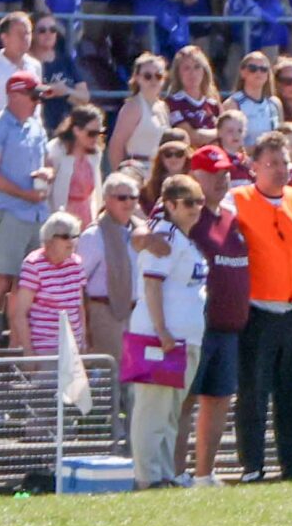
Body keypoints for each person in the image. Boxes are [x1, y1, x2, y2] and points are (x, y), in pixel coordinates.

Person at [231, 131, 292, 482]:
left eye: (284, 162)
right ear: (254, 167)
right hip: (257, 311)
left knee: (291, 392)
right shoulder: (237, 200)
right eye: (271, 163)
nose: (280, 170)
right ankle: (252, 465)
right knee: (253, 391)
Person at [173, 146, 249, 487]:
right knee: (185, 401)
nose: (223, 179)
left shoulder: (231, 218)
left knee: (219, 398)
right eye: (214, 173)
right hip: (194, 326)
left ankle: (205, 473)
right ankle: (175, 472)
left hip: (228, 326)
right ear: (195, 176)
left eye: (227, 173)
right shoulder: (184, 216)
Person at [126, 175, 207, 489]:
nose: (195, 208)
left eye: (199, 201)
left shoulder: (184, 239)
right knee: (152, 410)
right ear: (170, 204)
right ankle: (147, 477)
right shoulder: (164, 235)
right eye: (188, 202)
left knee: (171, 411)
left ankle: (163, 473)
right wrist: (162, 331)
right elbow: (151, 284)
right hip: (158, 337)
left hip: (184, 338)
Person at [0, 71, 54, 317]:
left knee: (29, 283)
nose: (37, 102)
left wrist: (47, 174)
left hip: (37, 214)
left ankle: (17, 340)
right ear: (14, 95)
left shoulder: (36, 128)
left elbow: (49, 163)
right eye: (33, 96)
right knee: (1, 278)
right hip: (9, 213)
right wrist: (24, 194)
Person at [74, 174, 144, 357]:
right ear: (106, 199)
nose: (128, 202)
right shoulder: (93, 236)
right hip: (105, 312)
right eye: (121, 197)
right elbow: (78, 282)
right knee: (113, 375)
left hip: (139, 313)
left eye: (133, 197)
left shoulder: (144, 232)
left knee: (136, 378)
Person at [9, 212, 85, 357]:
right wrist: (28, 352)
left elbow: (79, 307)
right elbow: (20, 314)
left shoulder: (76, 263)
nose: (71, 241)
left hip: (73, 348)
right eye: (65, 236)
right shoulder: (33, 265)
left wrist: (83, 342)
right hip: (44, 349)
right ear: (49, 240)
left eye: (74, 236)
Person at [46, 105, 105, 226]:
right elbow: (47, 191)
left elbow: (96, 192)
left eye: (99, 133)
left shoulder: (95, 154)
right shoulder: (55, 151)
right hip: (61, 214)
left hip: (87, 213)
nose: (95, 138)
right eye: (91, 133)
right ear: (76, 130)